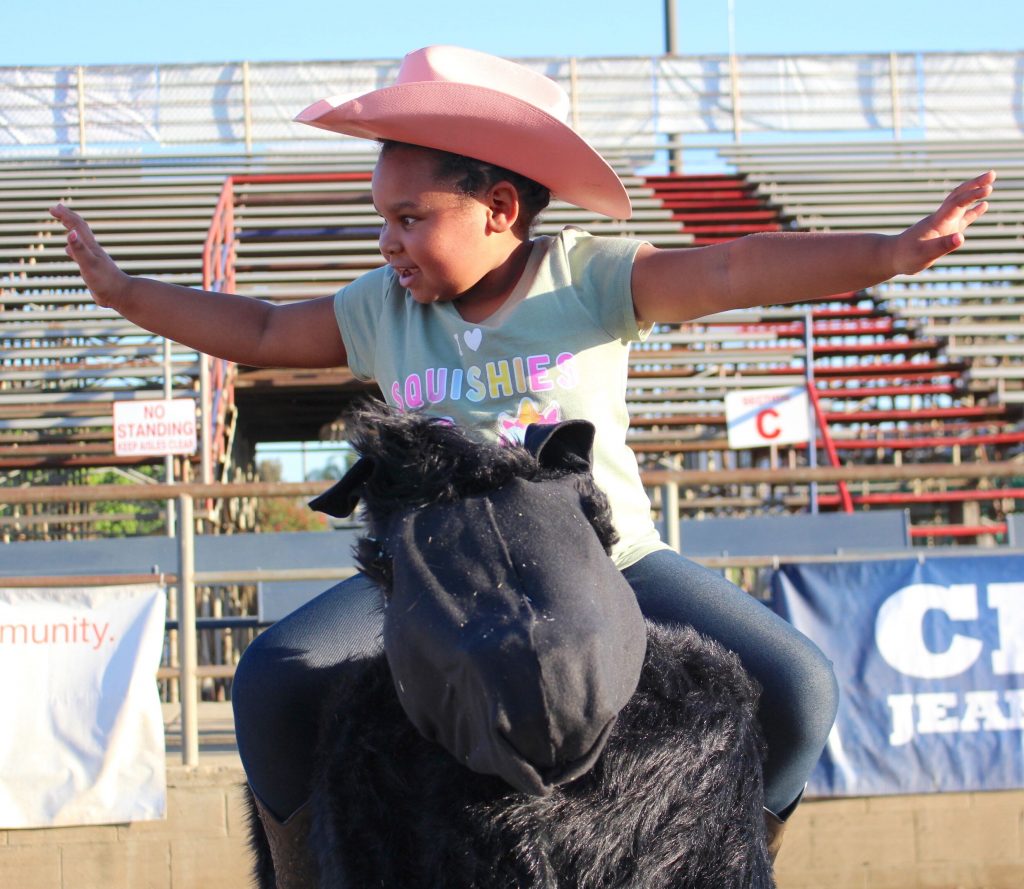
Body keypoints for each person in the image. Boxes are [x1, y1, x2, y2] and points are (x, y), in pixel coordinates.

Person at [52, 45, 994, 886]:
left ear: (500, 207)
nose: (389, 243)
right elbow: (258, 328)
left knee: (800, 688)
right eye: (382, 218)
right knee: (268, 682)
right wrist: (125, 290)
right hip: (431, 587)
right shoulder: (384, 308)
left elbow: (731, 273)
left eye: (412, 218)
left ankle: (723, 856)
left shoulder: (587, 278)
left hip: (610, 567)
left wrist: (889, 253)